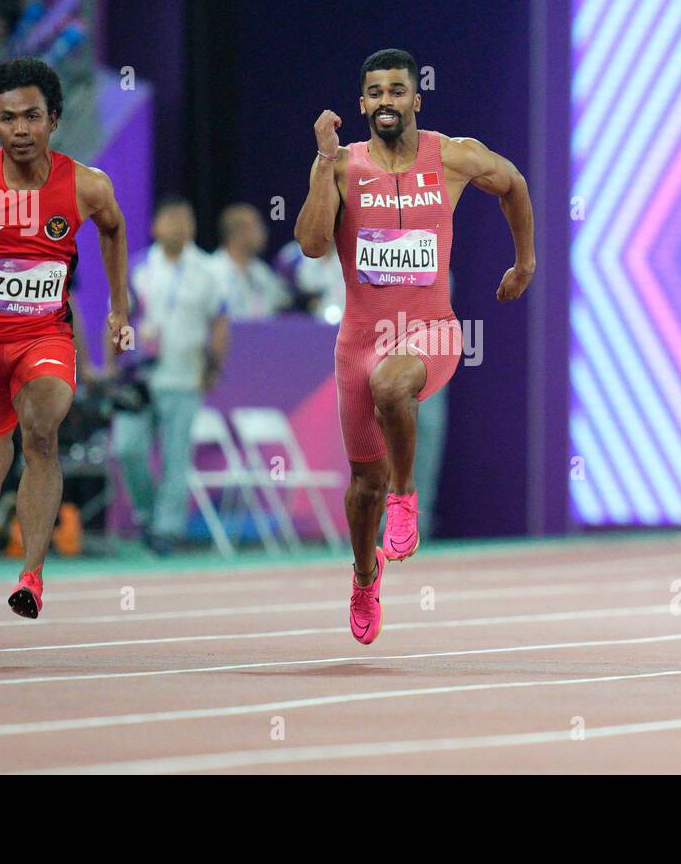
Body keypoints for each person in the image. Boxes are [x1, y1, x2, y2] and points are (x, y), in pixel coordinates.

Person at [295, 48, 535, 644]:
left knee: (394, 384)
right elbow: (312, 245)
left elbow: (514, 184)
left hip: (431, 330)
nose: (385, 101)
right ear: (360, 104)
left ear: (416, 99)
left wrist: (524, 262)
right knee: (361, 488)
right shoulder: (340, 164)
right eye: (374, 92)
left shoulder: (452, 155)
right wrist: (324, 165)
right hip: (359, 338)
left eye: (396, 91)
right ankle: (363, 574)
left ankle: (406, 497)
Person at [0, 56, 130, 618]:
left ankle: (31, 576)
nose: (20, 130)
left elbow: (113, 228)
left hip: (46, 339)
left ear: (53, 119)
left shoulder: (87, 184)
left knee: (43, 432)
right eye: (8, 118)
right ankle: (5, 434)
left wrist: (119, 306)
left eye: (31, 117)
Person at [110, 196, 229, 554]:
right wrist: (111, 366)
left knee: (177, 457)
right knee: (127, 448)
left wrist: (214, 366)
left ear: (192, 227)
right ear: (154, 226)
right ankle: (147, 514)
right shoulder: (138, 267)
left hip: (184, 376)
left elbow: (220, 321)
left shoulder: (208, 270)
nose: (177, 226)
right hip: (138, 379)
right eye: (170, 219)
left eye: (184, 220)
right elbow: (116, 317)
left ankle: (166, 530)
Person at [208, 202, 291, 318]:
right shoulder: (210, 272)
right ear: (239, 232)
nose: (264, 232)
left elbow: (281, 303)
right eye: (258, 226)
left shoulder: (262, 272)